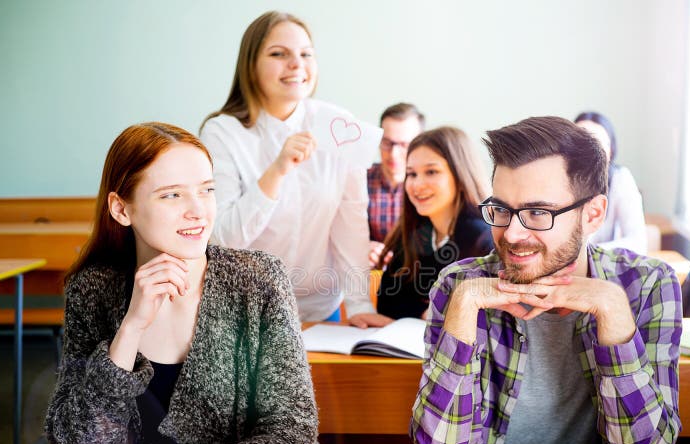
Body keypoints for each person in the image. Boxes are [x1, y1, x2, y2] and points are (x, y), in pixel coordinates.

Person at [45, 123, 320, 444]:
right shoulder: (93, 290)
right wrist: (131, 328)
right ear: (122, 209)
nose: (198, 210)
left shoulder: (257, 279)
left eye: (207, 189)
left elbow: (292, 433)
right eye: (172, 195)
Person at [410, 116, 681, 444]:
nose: (512, 233)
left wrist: (614, 312)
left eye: (538, 212)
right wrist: (462, 309)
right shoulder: (459, 286)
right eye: (502, 210)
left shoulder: (647, 285)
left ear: (593, 214)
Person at [200, 11, 381, 326]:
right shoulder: (222, 133)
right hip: (246, 312)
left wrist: (361, 303)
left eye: (305, 54)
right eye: (278, 54)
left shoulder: (339, 125)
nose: (296, 64)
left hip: (321, 310)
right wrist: (277, 171)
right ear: (251, 65)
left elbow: (350, 223)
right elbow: (222, 239)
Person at [376, 127, 493, 319]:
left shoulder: (482, 236)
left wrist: (430, 313)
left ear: (459, 174)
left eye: (431, 171)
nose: (417, 184)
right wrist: (427, 313)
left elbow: (484, 317)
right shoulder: (410, 233)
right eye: (411, 174)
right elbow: (388, 305)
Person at [574, 111, 648, 253]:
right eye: (581, 143)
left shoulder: (620, 179)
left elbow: (638, 242)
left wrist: (588, 254)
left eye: (598, 144)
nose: (589, 152)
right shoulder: (558, 178)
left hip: (600, 269)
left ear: (610, 151)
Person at [367, 103, 425, 267]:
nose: (393, 154)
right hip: (369, 276)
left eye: (404, 145)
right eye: (387, 143)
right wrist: (363, 247)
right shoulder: (359, 180)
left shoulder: (431, 188)